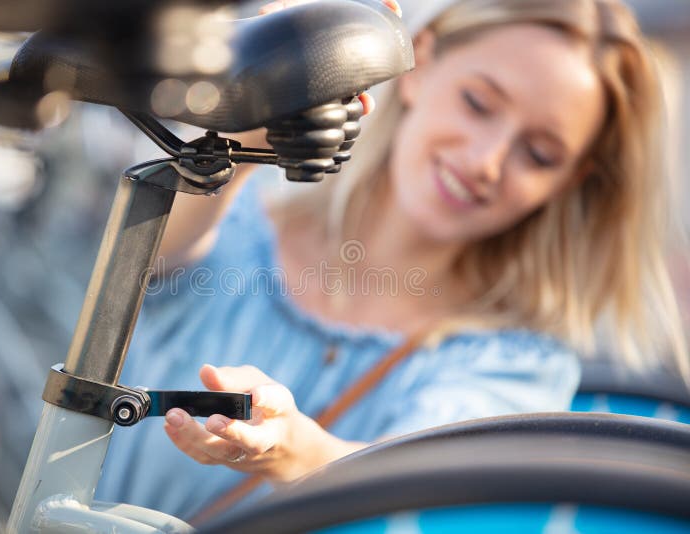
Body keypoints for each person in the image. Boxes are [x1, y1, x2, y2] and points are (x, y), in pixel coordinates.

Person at [96, 0, 688, 521]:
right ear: (419, 65)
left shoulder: (514, 362)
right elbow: (137, 258)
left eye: (538, 153)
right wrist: (257, 105)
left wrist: (298, 450)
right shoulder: (242, 215)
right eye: (478, 103)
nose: (486, 160)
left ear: (569, 181)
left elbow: (432, 485)